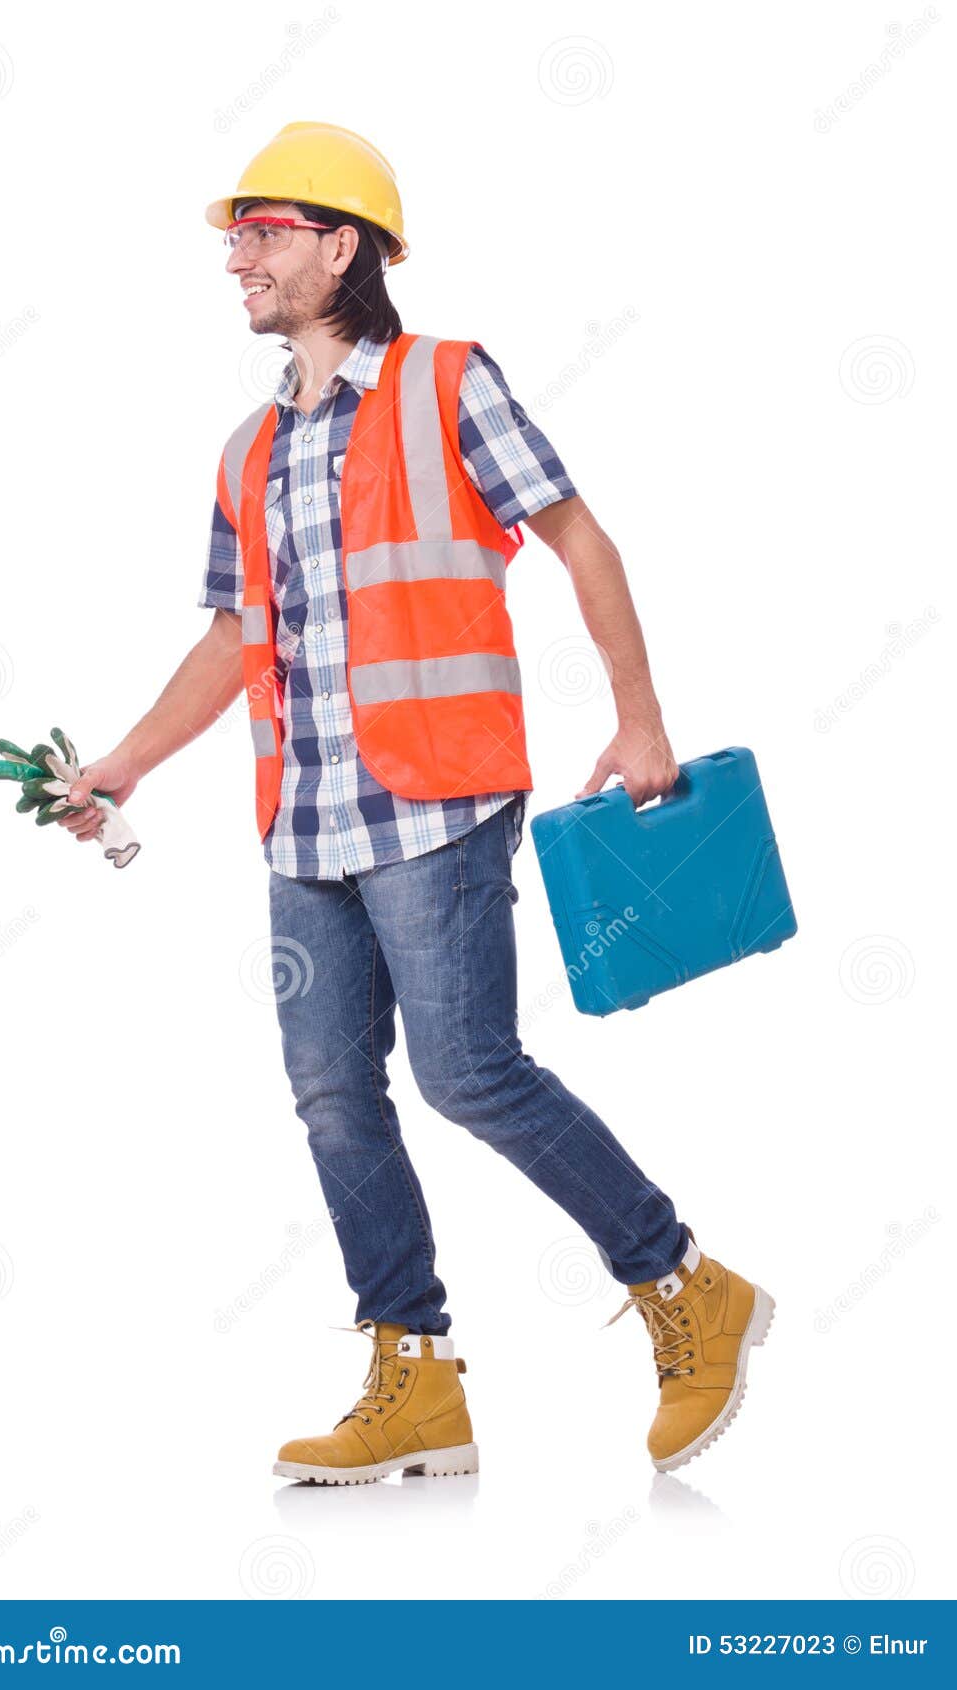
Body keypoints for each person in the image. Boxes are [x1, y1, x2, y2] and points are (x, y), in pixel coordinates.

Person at [63, 121, 773, 1483]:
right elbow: (234, 639)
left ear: (342, 244)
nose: (237, 259)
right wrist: (123, 763)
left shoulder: (448, 383)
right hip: (306, 818)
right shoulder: (244, 450)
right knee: (332, 1092)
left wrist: (638, 717)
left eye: (261, 232)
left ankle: (689, 1283)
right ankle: (415, 1374)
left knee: (467, 1073)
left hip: (439, 802)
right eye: (236, 237)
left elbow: (577, 533)